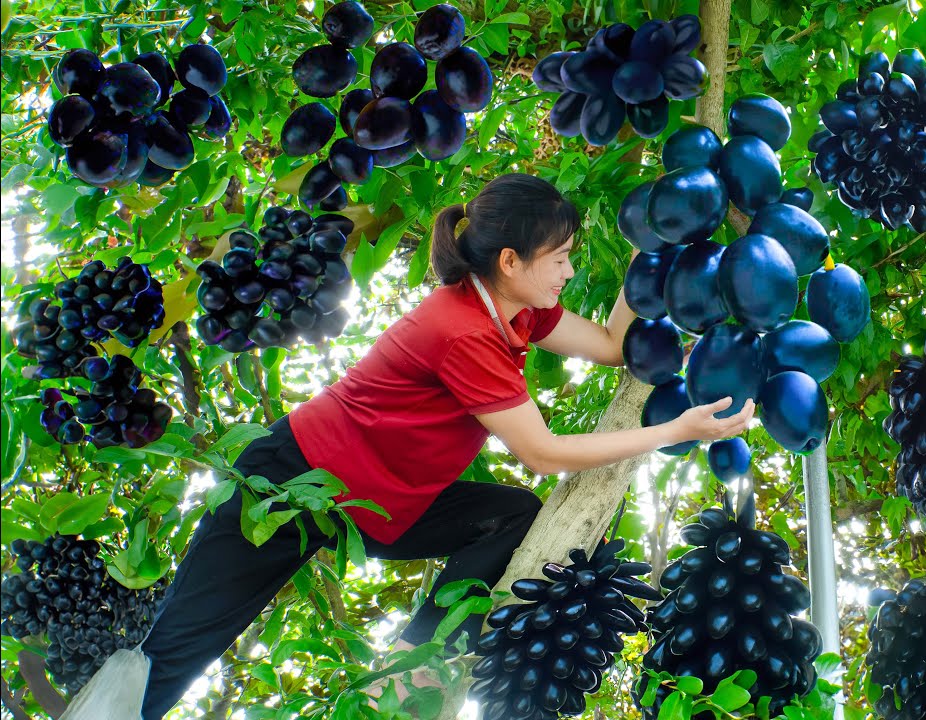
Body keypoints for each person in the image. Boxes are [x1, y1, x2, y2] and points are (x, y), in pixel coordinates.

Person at [138, 173, 754, 717]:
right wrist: (677, 430)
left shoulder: (518, 311)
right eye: (560, 258)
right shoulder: (463, 331)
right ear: (510, 261)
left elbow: (613, 344)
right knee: (180, 648)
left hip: (377, 506)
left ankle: (410, 668)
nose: (569, 271)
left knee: (508, 516)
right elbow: (542, 453)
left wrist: (658, 246)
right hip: (289, 484)